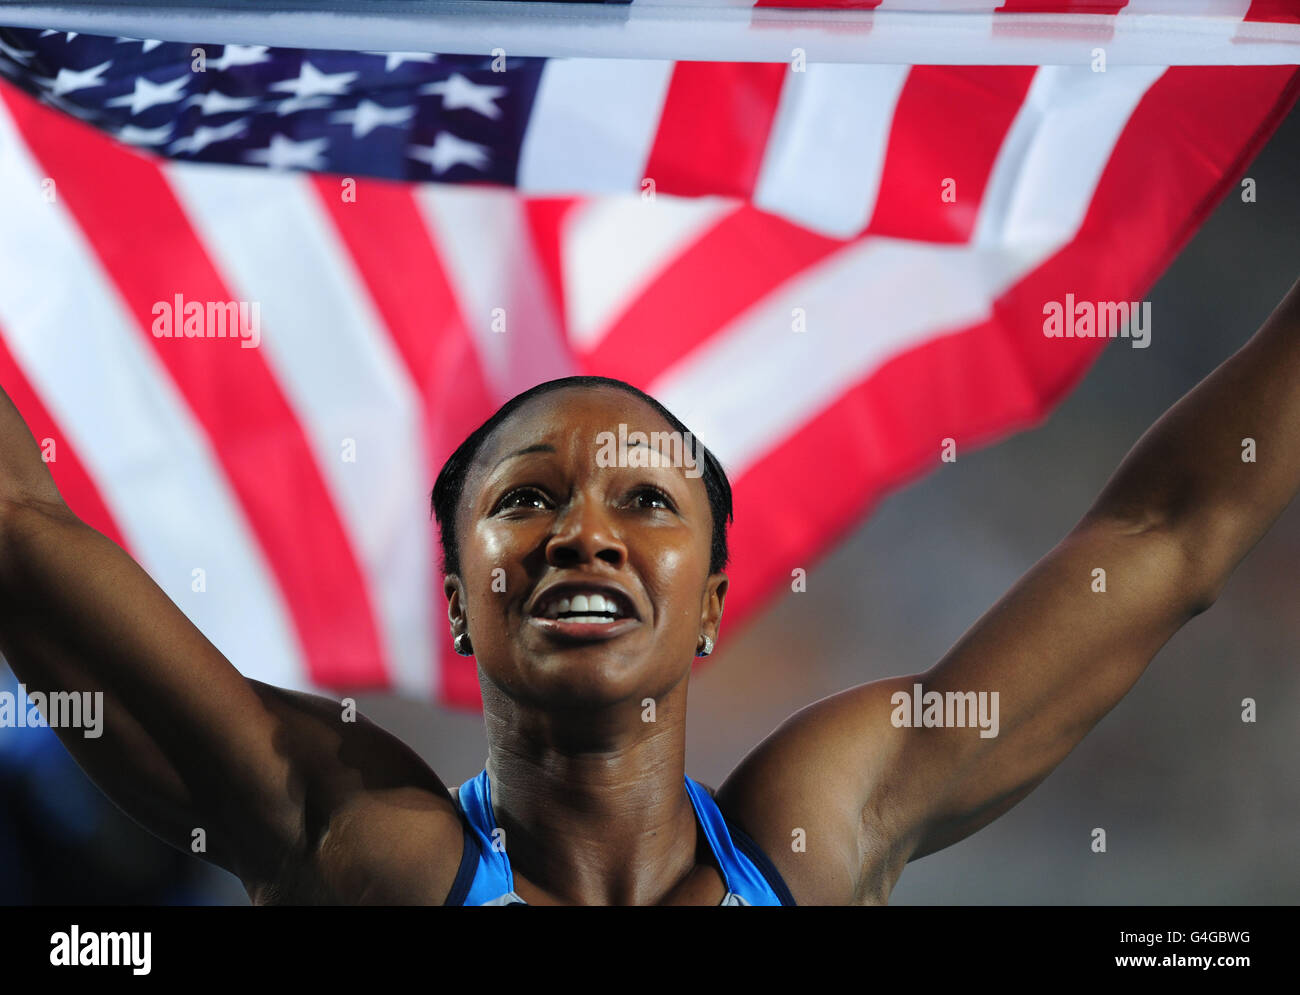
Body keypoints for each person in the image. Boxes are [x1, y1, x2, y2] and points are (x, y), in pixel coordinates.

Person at [1, 275, 1298, 905]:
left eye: (643, 499)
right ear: (459, 607)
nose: (584, 532)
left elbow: (1168, 535)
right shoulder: (365, 848)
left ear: (717, 601)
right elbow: (21, 535)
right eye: (524, 500)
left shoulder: (817, 833)